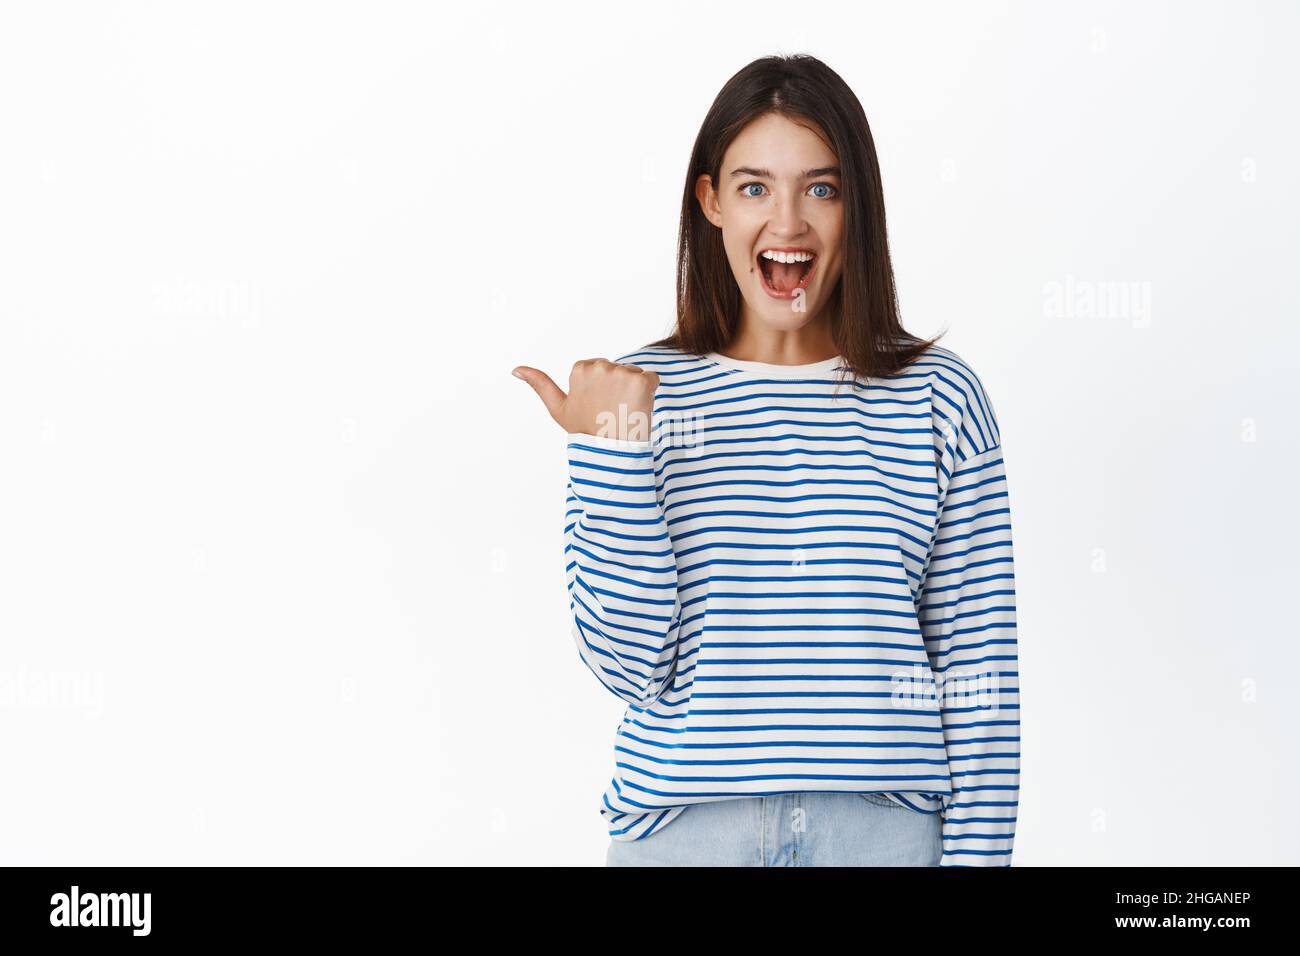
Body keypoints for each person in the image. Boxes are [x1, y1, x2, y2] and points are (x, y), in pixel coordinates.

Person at [513, 54, 1019, 866]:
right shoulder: (636, 397)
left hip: (880, 836)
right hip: (686, 832)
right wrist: (611, 458)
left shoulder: (939, 397)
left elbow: (976, 674)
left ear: (858, 206)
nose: (787, 223)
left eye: (821, 189)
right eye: (755, 188)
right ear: (711, 202)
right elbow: (627, 666)